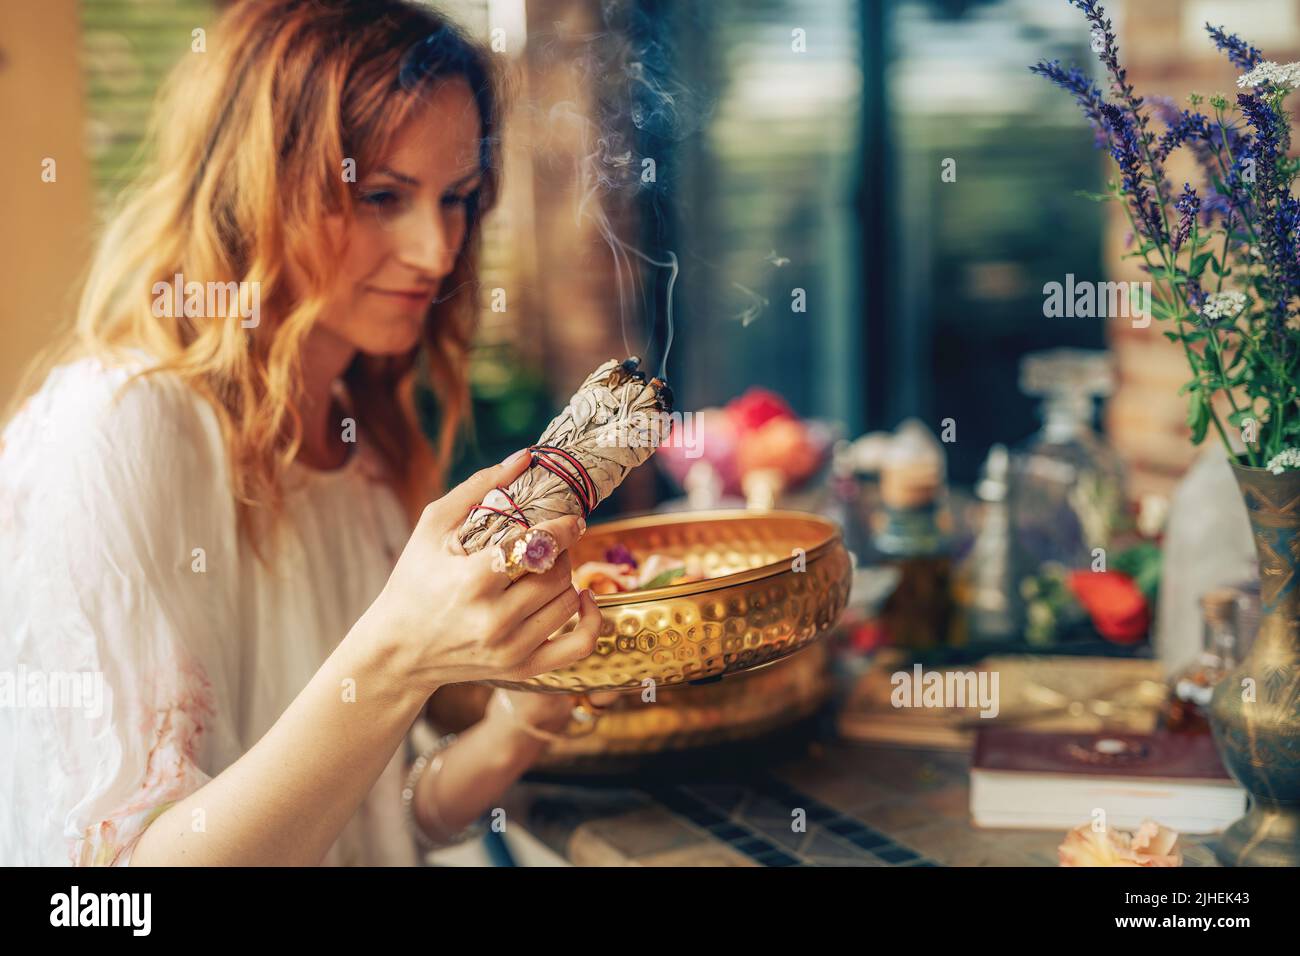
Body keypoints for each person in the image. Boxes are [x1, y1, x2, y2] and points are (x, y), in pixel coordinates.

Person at [0, 0, 602, 866]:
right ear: (254, 184)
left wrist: (519, 722)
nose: (436, 252)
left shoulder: (364, 444)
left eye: (459, 200)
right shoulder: (119, 432)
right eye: (382, 197)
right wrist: (399, 653)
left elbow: (369, 819)